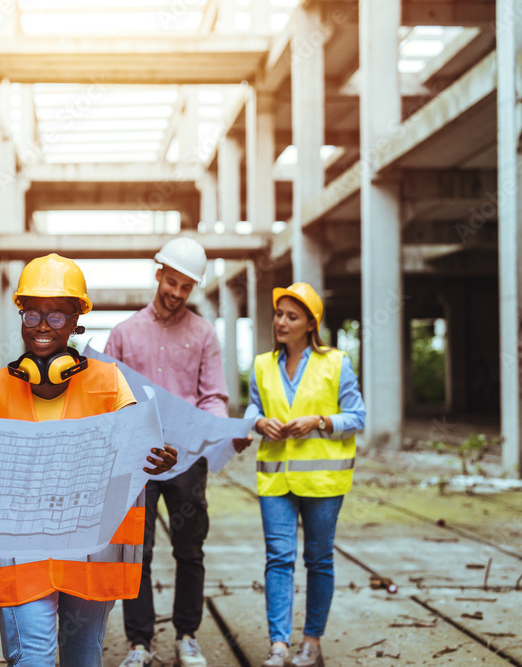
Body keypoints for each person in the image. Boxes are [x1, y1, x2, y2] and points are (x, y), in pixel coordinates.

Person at [0, 253, 177, 667]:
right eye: (32, 314)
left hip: (89, 553)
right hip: (21, 552)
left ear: (77, 323)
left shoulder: (108, 382)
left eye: (57, 316)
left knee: (83, 658)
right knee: (34, 660)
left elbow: (136, 446)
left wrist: (155, 458)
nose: (43, 325)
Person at [106, 238, 229, 667]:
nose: (176, 293)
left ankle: (187, 635)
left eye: (186, 286)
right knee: (136, 552)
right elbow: (109, 397)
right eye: (172, 282)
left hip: (187, 461)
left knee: (189, 550)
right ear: (158, 272)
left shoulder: (204, 335)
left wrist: (215, 425)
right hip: (138, 459)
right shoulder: (123, 335)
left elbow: (213, 395)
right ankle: (139, 643)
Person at [234, 283, 365, 667]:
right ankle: (279, 644)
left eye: (292, 316)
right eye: (279, 314)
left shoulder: (336, 363)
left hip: (324, 481)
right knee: (278, 559)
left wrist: (320, 421)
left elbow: (357, 417)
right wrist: (258, 421)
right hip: (276, 479)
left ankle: (312, 642)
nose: (281, 321)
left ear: (311, 324)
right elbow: (249, 410)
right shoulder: (261, 365)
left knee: (319, 560)